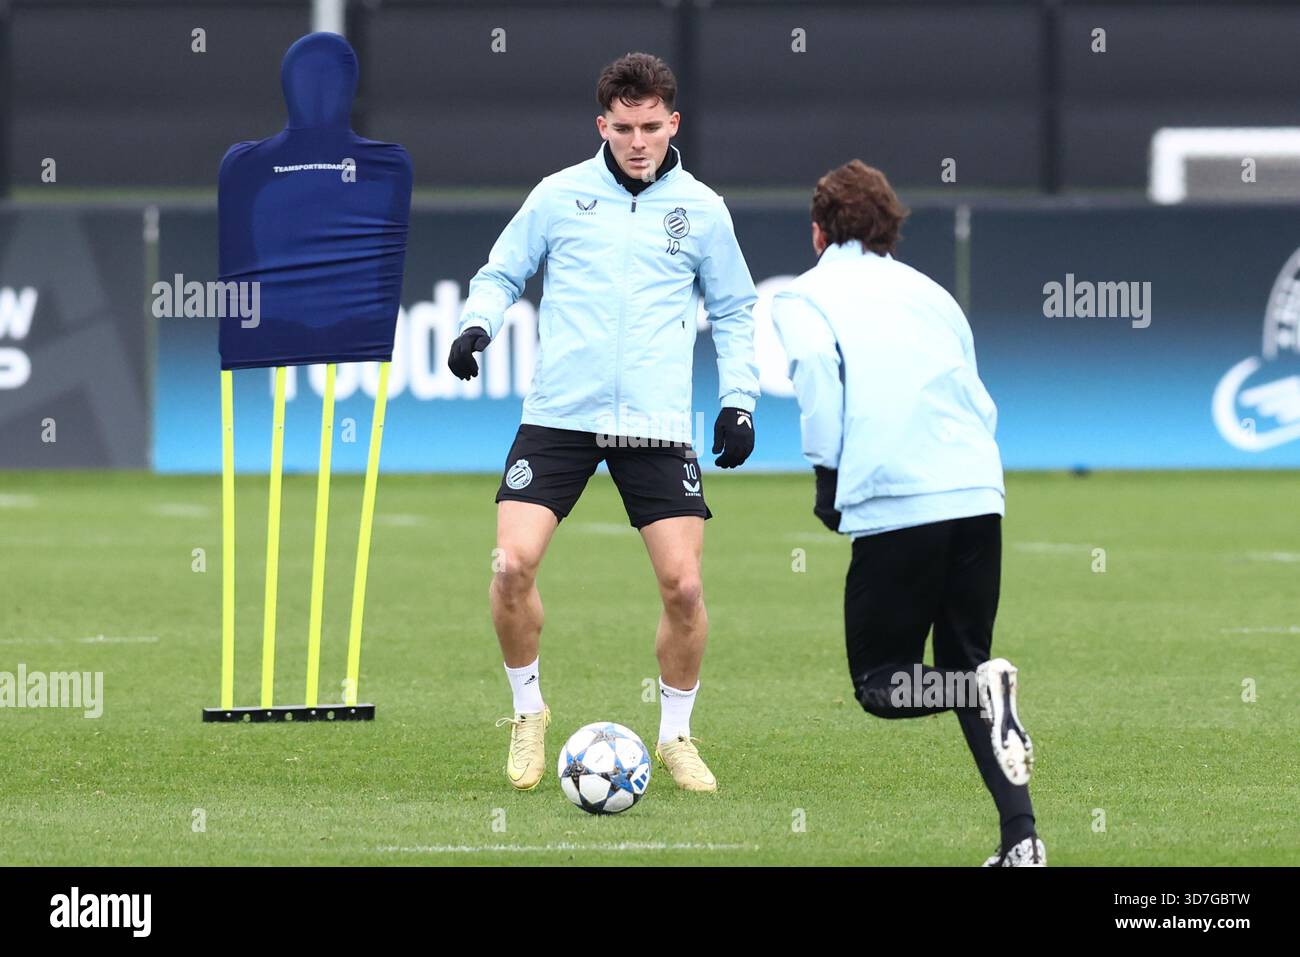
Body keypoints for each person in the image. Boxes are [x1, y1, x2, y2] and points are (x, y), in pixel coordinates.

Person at [447, 52, 759, 794]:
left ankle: (677, 734)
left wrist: (738, 398)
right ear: (603, 125)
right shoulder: (558, 196)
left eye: (652, 126)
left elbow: (736, 309)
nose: (639, 140)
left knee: (683, 587)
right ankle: (528, 714)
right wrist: (475, 325)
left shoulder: (704, 210)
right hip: (559, 415)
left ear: (673, 122)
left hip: (654, 423)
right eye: (624, 127)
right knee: (510, 566)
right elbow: (501, 272)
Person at [772, 160, 1044, 866]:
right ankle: (1023, 839)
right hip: (979, 491)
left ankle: (982, 691)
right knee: (970, 662)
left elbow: (817, 382)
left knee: (884, 681)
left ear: (818, 232)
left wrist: (827, 475)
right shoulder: (932, 294)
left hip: (901, 499)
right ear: (890, 226)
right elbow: (978, 395)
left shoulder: (805, 297)